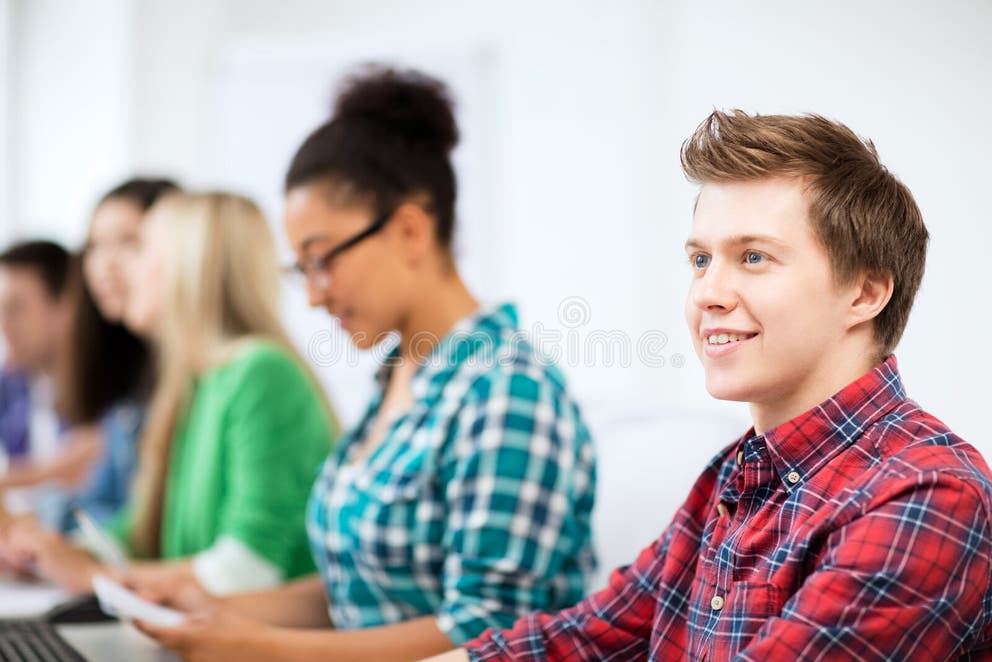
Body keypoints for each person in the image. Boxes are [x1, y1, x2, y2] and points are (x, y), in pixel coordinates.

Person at [426, 111, 992, 661]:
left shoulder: (927, 494)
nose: (707, 294)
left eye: (753, 257)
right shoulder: (736, 473)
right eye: (700, 259)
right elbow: (585, 636)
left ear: (865, 294)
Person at [135, 66, 597, 662]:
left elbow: (487, 632)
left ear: (409, 229)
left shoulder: (506, 390)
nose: (312, 294)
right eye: (300, 269)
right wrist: (209, 611)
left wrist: (265, 647)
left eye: (322, 259)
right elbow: (358, 592)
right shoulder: (397, 379)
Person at [0, 192, 336, 597]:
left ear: (188, 266)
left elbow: (249, 569)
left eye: (138, 250)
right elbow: (140, 533)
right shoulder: (195, 383)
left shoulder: (260, 372)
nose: (119, 271)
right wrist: (56, 556)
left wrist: (93, 577)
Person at [0, 240, 99, 523]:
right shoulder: (11, 384)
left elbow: (82, 464)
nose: (3, 324)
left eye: (15, 308)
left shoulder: (103, 381)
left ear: (65, 308)